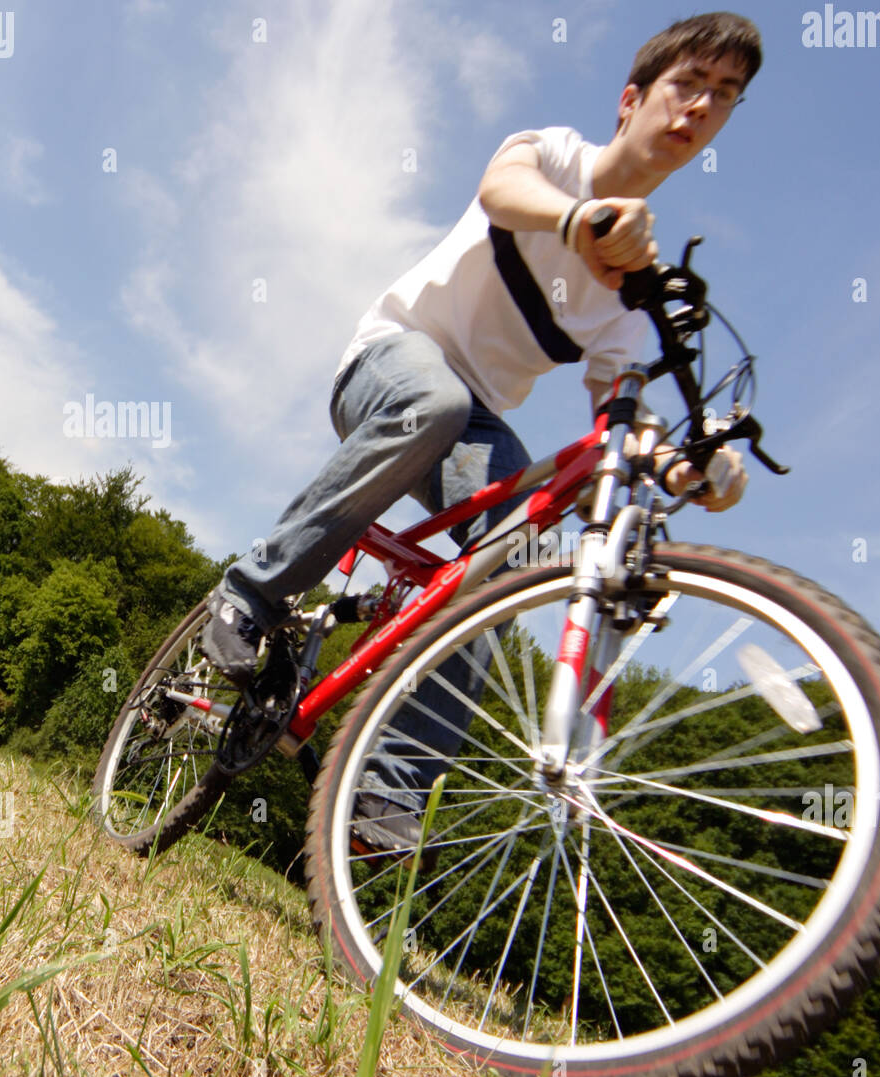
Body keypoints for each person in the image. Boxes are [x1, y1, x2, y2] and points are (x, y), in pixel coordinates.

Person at [203, 12, 763, 854]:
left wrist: (683, 465)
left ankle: (384, 792)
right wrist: (582, 224)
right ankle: (252, 590)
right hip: (392, 361)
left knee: (514, 560)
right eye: (687, 84)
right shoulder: (554, 155)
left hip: (474, 421)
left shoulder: (624, 302)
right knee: (434, 405)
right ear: (632, 98)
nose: (699, 109)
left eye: (723, 98)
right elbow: (505, 190)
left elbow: (615, 419)